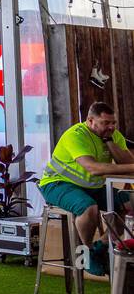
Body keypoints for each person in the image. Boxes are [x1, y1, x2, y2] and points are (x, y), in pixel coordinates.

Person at [39, 102, 134, 273]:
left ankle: (101, 246)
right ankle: (86, 252)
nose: (111, 127)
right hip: (57, 185)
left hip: (92, 187)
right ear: (90, 121)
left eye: (113, 123)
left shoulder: (112, 135)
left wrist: (110, 142)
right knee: (89, 207)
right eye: (105, 123)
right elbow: (94, 168)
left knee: (131, 203)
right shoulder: (75, 135)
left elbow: (128, 162)